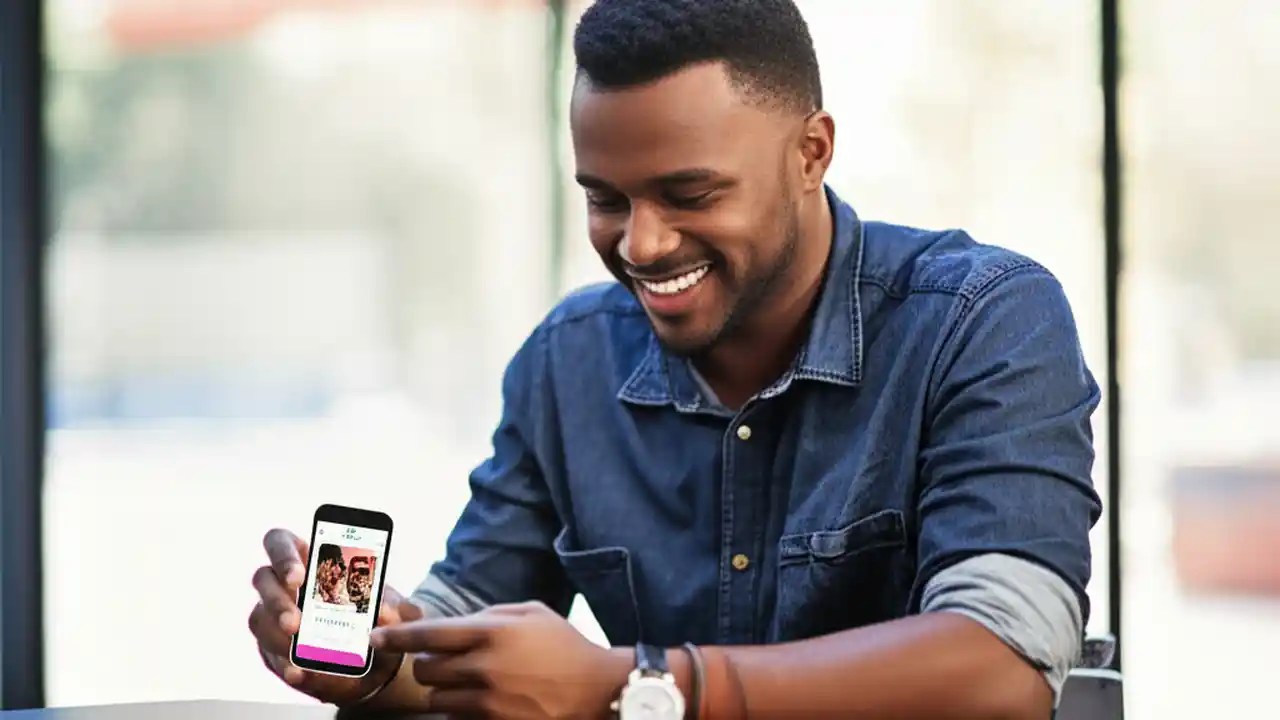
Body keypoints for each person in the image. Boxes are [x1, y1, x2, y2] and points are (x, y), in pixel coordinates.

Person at [248, 0, 1101, 716]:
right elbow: (465, 632)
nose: (642, 243)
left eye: (689, 195)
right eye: (605, 199)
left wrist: (639, 686)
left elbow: (1002, 665)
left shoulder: (983, 320)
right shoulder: (566, 361)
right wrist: (372, 660)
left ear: (811, 153)